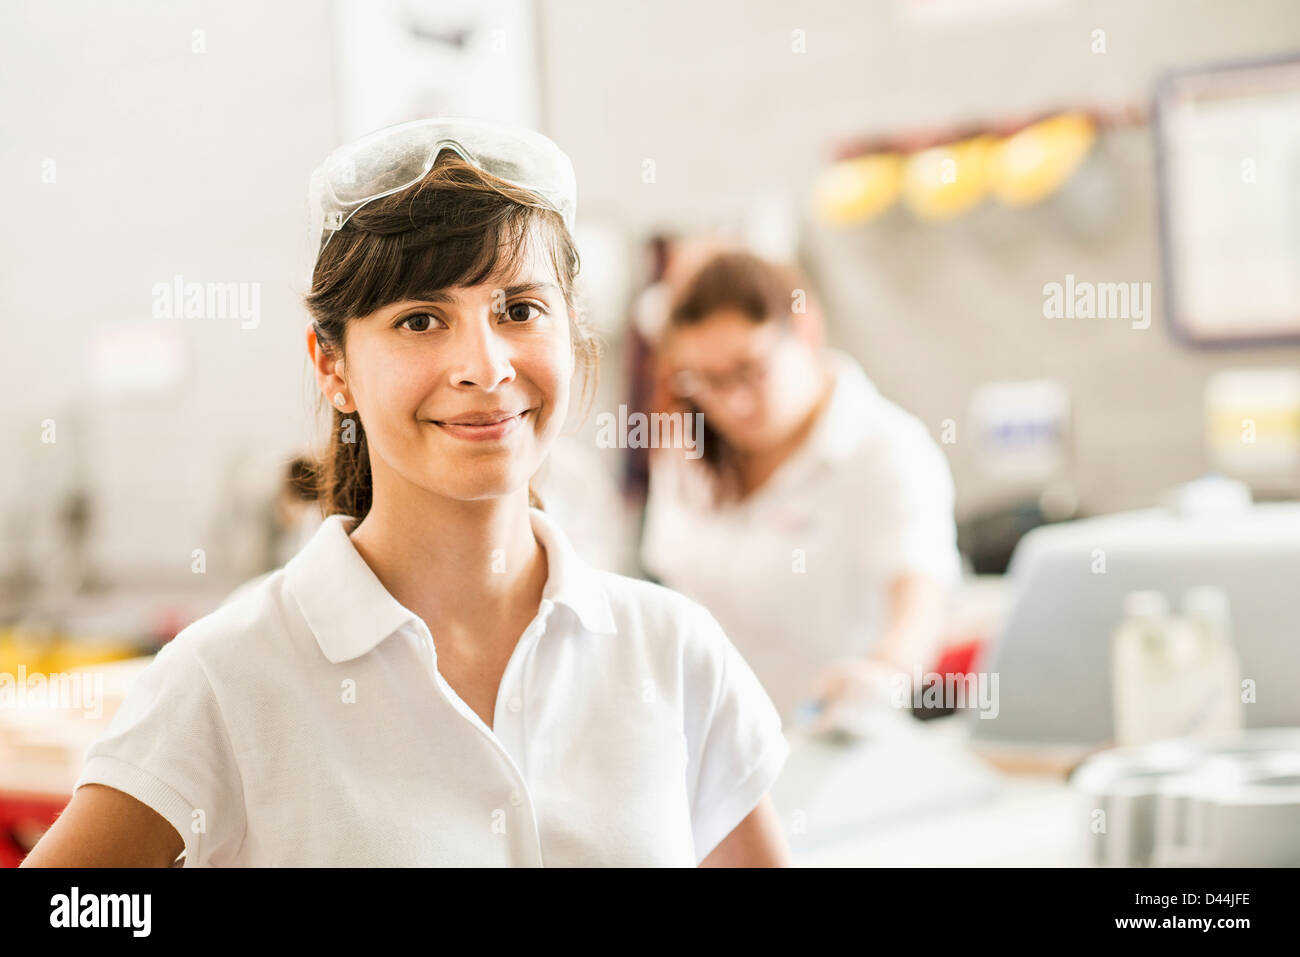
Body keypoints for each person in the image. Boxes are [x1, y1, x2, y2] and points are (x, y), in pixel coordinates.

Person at [22, 118, 790, 867]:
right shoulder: (228, 679)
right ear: (332, 365)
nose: (484, 366)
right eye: (421, 320)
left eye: (519, 310)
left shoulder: (673, 651)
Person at [639, 249, 961, 730]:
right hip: (711, 748)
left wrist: (884, 673)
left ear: (805, 329)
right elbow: (669, 599)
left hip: (834, 747)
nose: (732, 401)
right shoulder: (687, 450)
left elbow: (920, 601)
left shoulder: (885, 449)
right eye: (706, 380)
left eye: (750, 369)